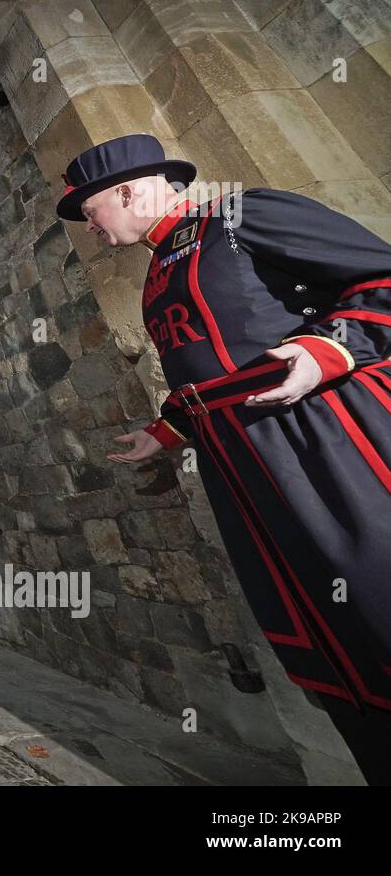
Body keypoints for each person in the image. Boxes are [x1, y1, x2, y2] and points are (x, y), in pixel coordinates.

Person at [62, 134, 391, 783]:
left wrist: (328, 348)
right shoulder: (159, 272)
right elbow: (214, 368)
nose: (89, 225)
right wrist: (168, 431)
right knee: (333, 647)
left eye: (90, 209)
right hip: (249, 476)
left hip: (324, 447)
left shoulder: (242, 218)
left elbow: (382, 278)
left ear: (127, 190)